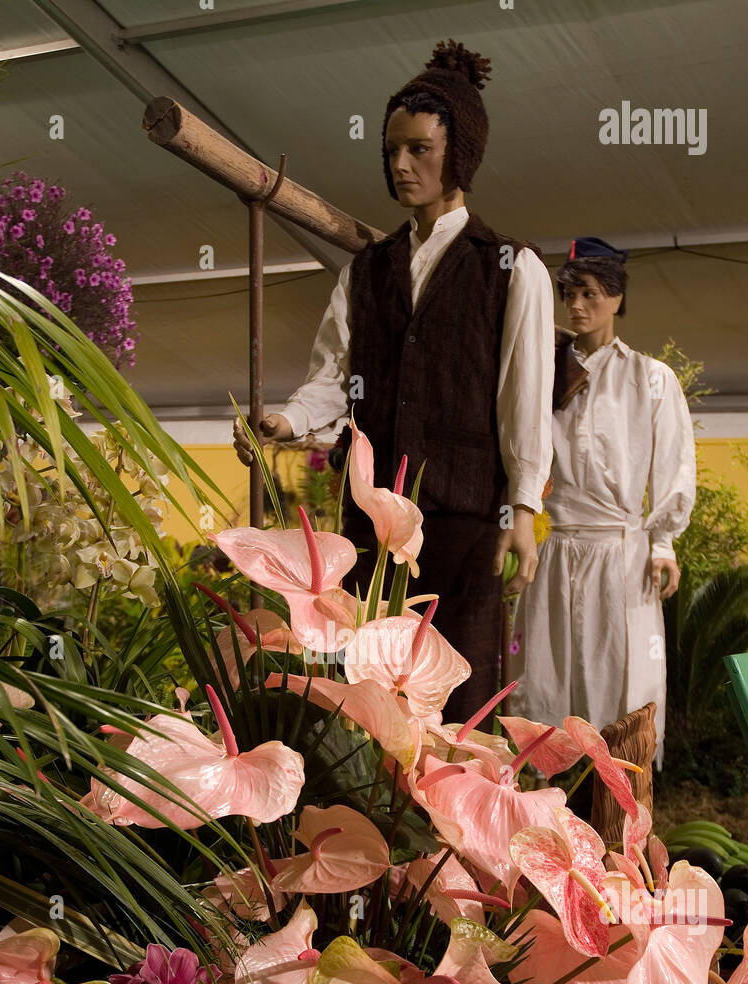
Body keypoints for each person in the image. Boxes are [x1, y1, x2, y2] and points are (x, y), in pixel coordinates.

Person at [233, 39, 554, 725]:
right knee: (372, 694)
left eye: (419, 149)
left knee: (461, 692)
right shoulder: (367, 270)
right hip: (371, 526)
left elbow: (521, 400)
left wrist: (521, 511)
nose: (401, 165)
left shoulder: (510, 268)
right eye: (391, 151)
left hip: (466, 519)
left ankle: (453, 830)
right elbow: (336, 376)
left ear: (459, 154)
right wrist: (286, 423)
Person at [506, 237, 697, 769]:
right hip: (556, 547)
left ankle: (622, 812)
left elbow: (673, 466)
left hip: (621, 552)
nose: (577, 305)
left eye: (590, 293)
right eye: (569, 293)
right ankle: (546, 804)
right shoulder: (544, 376)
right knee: (547, 674)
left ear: (616, 299)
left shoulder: (651, 380)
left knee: (623, 676)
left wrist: (663, 544)